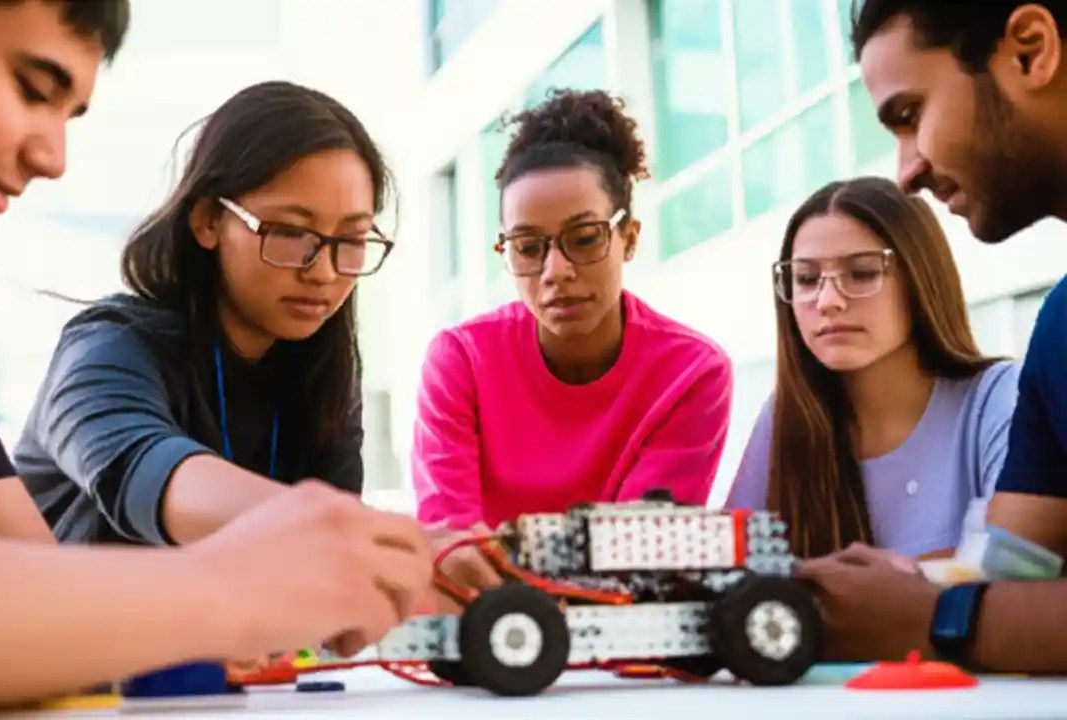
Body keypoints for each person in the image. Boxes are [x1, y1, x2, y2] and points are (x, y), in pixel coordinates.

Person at [0, 1, 432, 714]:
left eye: (351, 242)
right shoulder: (110, 345)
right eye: (33, 88)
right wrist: (234, 588)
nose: (52, 158)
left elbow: (31, 605)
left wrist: (384, 561)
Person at [793, 0, 1067, 672]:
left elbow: (970, 605)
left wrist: (929, 618)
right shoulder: (1058, 328)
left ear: (1031, 51)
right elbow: (1012, 566)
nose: (906, 172)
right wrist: (879, 590)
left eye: (910, 115)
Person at [12, 80, 389, 546]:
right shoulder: (108, 347)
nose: (324, 272)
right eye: (290, 232)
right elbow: (151, 477)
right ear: (208, 219)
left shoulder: (320, 374)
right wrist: (369, 537)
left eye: (351, 240)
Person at [411, 89, 733, 533]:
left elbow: (641, 548)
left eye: (584, 239)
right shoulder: (461, 361)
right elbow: (450, 540)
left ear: (630, 238)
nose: (555, 272)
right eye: (527, 247)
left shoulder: (691, 373)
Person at [726, 176, 1018, 560]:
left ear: (920, 278)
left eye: (863, 273)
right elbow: (731, 567)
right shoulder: (786, 415)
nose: (827, 301)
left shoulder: (997, 399)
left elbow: (1021, 565)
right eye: (807, 279)